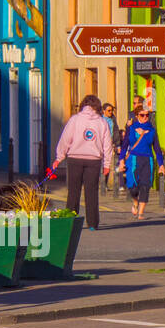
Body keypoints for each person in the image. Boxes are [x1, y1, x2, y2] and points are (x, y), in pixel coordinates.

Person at [51, 94, 112, 231]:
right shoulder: (102, 122)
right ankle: (92, 224)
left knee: (73, 192)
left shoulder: (75, 120)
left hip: (75, 159)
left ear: (83, 105)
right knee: (91, 193)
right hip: (94, 161)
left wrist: (59, 157)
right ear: (98, 107)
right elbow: (107, 145)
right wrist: (107, 164)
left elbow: (66, 139)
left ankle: (70, 222)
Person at [119, 105, 165, 220]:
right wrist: (121, 161)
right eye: (142, 115)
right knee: (133, 187)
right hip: (133, 159)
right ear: (136, 116)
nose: (145, 117)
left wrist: (161, 165)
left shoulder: (152, 130)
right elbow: (124, 146)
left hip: (147, 160)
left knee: (145, 186)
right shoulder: (131, 128)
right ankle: (135, 201)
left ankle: (141, 213)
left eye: (147, 115)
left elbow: (157, 149)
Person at [101, 102, 119, 192]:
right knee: (101, 164)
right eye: (108, 110)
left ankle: (105, 184)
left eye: (111, 110)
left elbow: (115, 131)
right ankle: (100, 183)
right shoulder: (100, 120)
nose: (110, 112)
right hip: (100, 144)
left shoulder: (112, 119)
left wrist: (117, 143)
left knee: (108, 164)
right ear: (103, 111)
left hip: (110, 143)